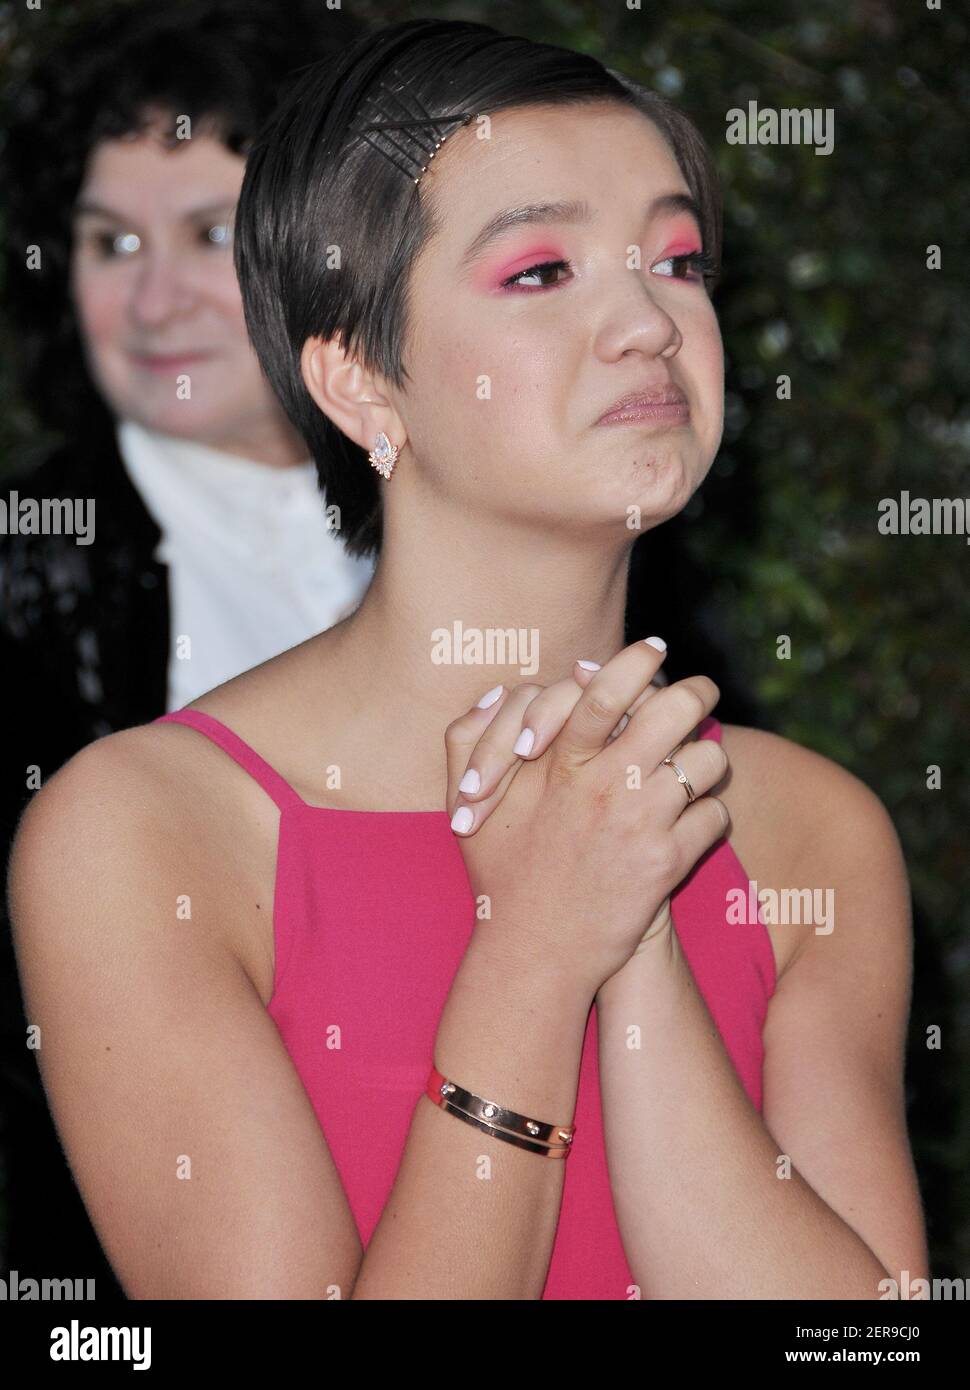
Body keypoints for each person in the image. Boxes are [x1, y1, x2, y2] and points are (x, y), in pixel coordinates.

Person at [7, 17, 928, 1299]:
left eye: (674, 260)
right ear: (360, 385)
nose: (649, 325)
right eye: (542, 272)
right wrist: (537, 956)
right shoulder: (144, 831)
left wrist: (633, 924)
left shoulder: (808, 828)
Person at [0, 0, 369, 1295]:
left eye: (208, 235)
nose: (154, 300)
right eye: (111, 242)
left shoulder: (487, 509)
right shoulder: (22, 570)